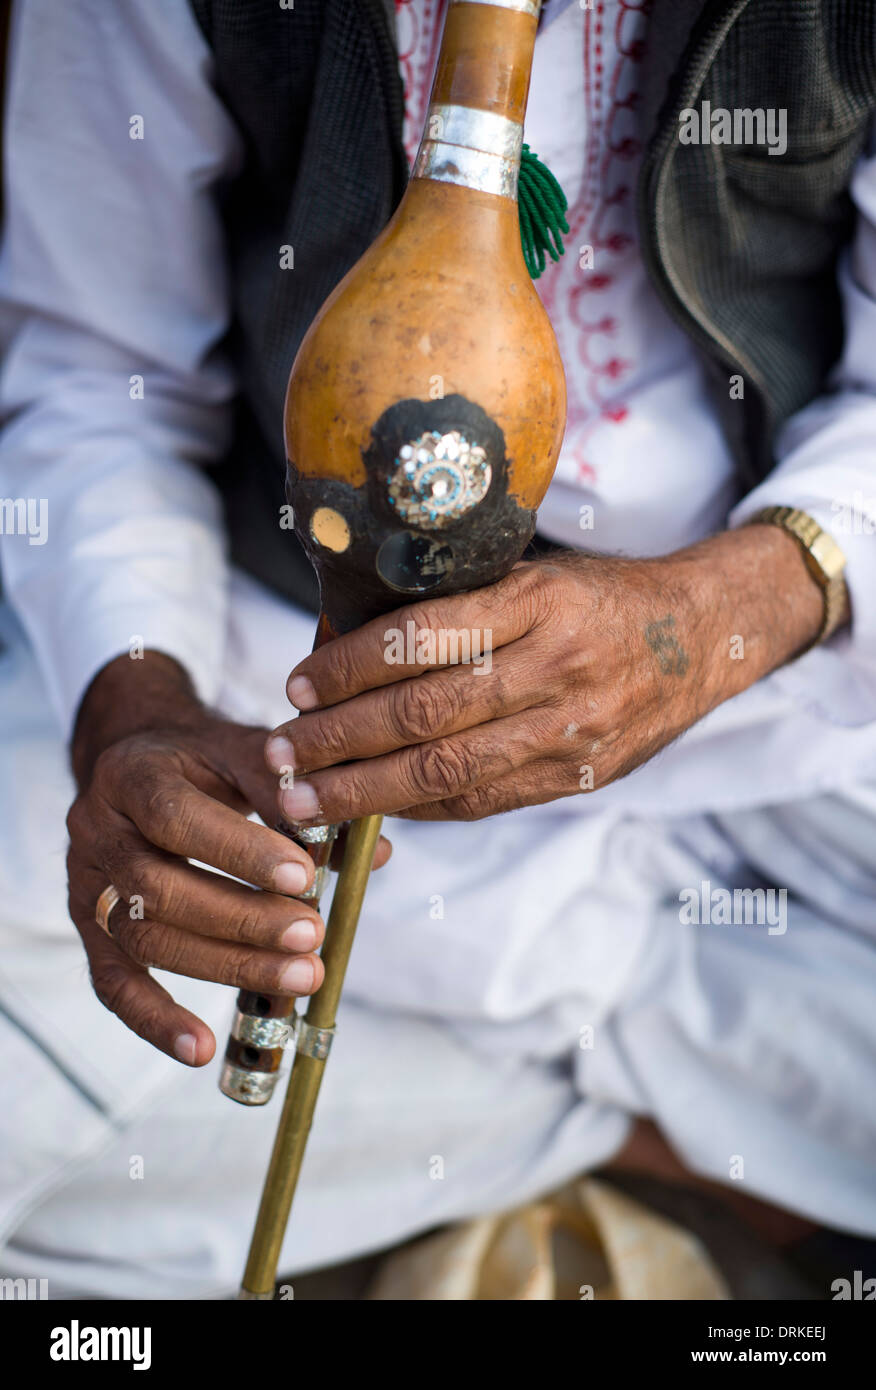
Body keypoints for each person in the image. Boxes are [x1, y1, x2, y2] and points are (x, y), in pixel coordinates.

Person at [0, 0, 874, 1300]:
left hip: (786, 701)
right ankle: (665, 1117)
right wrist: (129, 707)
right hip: (287, 671)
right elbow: (97, 371)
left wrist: (727, 612)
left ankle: (518, 1095)